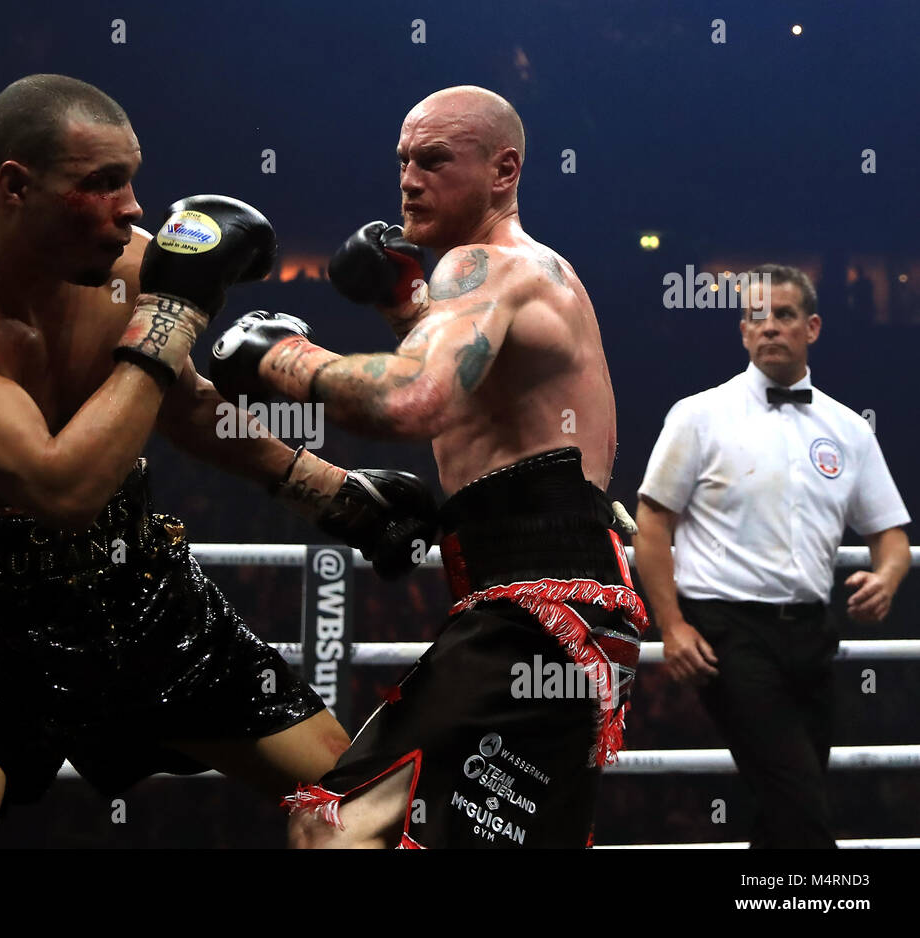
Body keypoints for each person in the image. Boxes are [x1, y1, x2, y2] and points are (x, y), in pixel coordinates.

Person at [0, 74, 438, 848]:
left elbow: (184, 404)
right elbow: (59, 487)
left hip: (133, 585)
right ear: (15, 186)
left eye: (130, 179)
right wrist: (170, 319)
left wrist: (331, 493)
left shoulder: (133, 269)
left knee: (353, 798)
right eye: (100, 184)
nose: (132, 208)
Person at [209, 85, 646, 848]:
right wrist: (400, 304)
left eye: (435, 160)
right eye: (403, 160)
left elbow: (412, 401)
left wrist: (279, 356)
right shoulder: (533, 272)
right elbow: (489, 396)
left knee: (336, 827)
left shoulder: (485, 264)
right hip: (564, 602)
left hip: (531, 606)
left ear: (504, 170)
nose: (409, 178)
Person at [634, 264, 911, 848]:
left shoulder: (848, 429)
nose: (770, 328)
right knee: (799, 800)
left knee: (780, 805)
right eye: (757, 317)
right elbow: (653, 524)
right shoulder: (698, 415)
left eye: (784, 316)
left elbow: (890, 534)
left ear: (812, 327)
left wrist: (886, 578)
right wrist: (673, 625)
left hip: (812, 632)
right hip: (727, 632)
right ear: (742, 331)